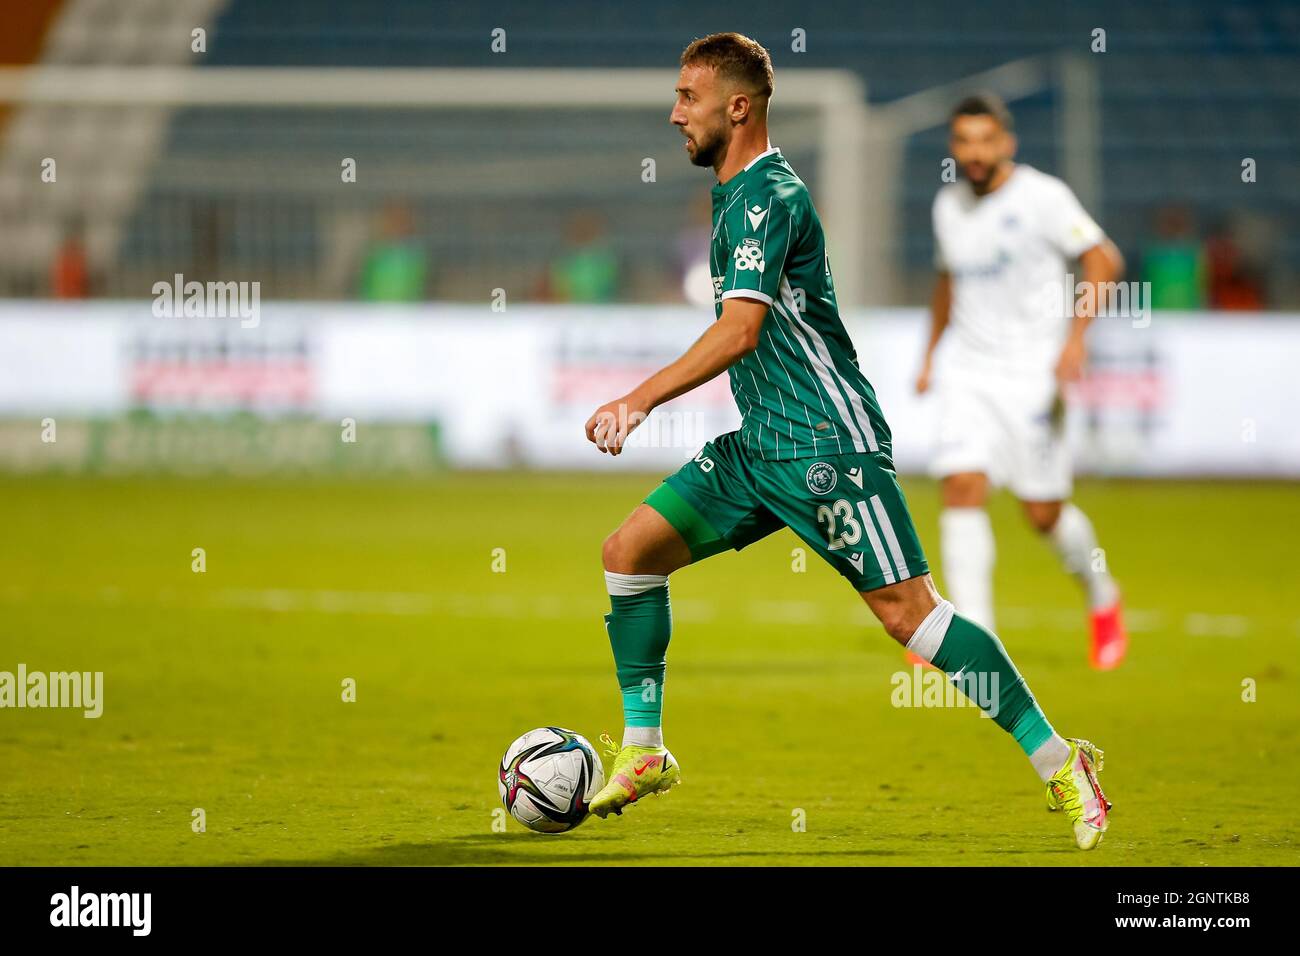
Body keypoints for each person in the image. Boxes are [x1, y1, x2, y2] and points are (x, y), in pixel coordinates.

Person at [582, 34, 1112, 849]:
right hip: (762, 445)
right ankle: (646, 752)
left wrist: (640, 398)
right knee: (629, 553)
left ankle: (1062, 762)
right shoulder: (731, 195)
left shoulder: (769, 196)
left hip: (829, 449)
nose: (674, 113)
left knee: (914, 619)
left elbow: (740, 331)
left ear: (738, 106)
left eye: (688, 97)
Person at [917, 93, 1129, 670]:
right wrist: (931, 355)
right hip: (969, 371)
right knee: (961, 484)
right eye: (964, 141)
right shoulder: (948, 206)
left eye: (987, 140)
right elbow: (946, 283)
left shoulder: (1043, 196)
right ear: (954, 147)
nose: (976, 152)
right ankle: (974, 642)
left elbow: (1103, 259)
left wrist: (1077, 338)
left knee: (1043, 512)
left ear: (1006, 142)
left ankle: (1103, 596)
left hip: (1033, 374)